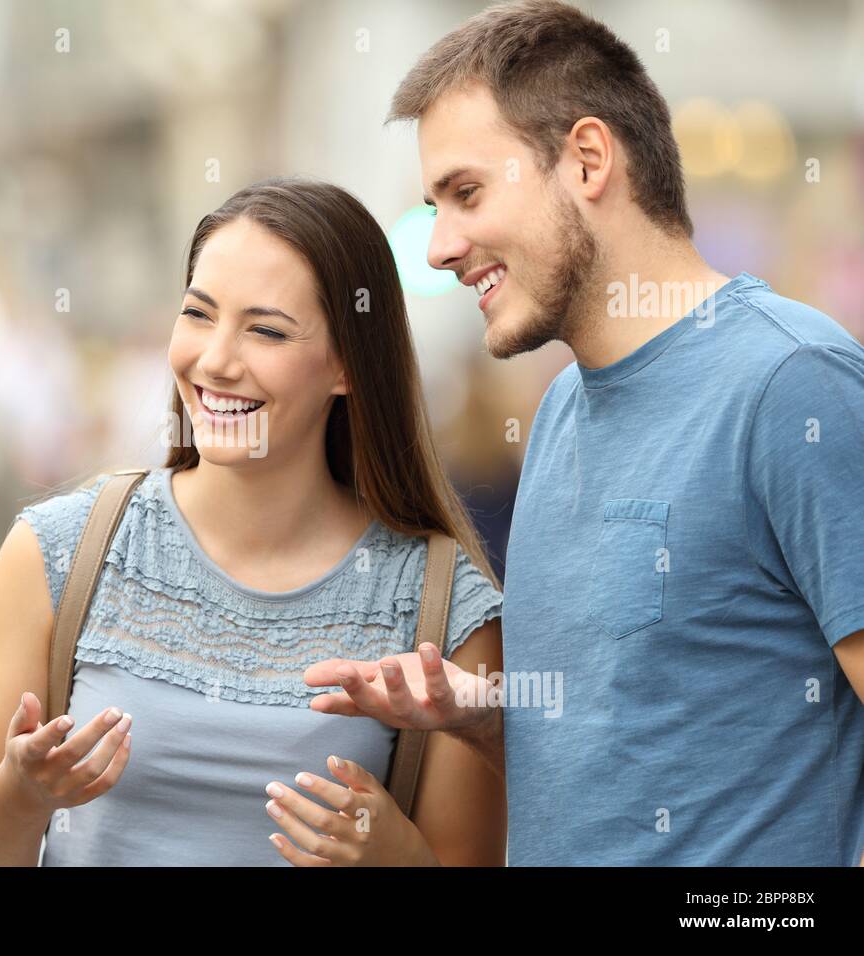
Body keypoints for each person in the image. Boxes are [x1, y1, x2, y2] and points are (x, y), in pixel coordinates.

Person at [306, 0, 864, 866]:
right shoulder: (563, 406)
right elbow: (631, 743)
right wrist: (482, 716)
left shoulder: (794, 384)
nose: (439, 247)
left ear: (588, 160)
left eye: (467, 193)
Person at [0, 178, 506, 866]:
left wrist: (399, 858)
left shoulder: (445, 606)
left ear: (349, 365)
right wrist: (19, 798)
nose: (214, 360)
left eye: (265, 329)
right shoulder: (57, 551)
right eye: (198, 315)